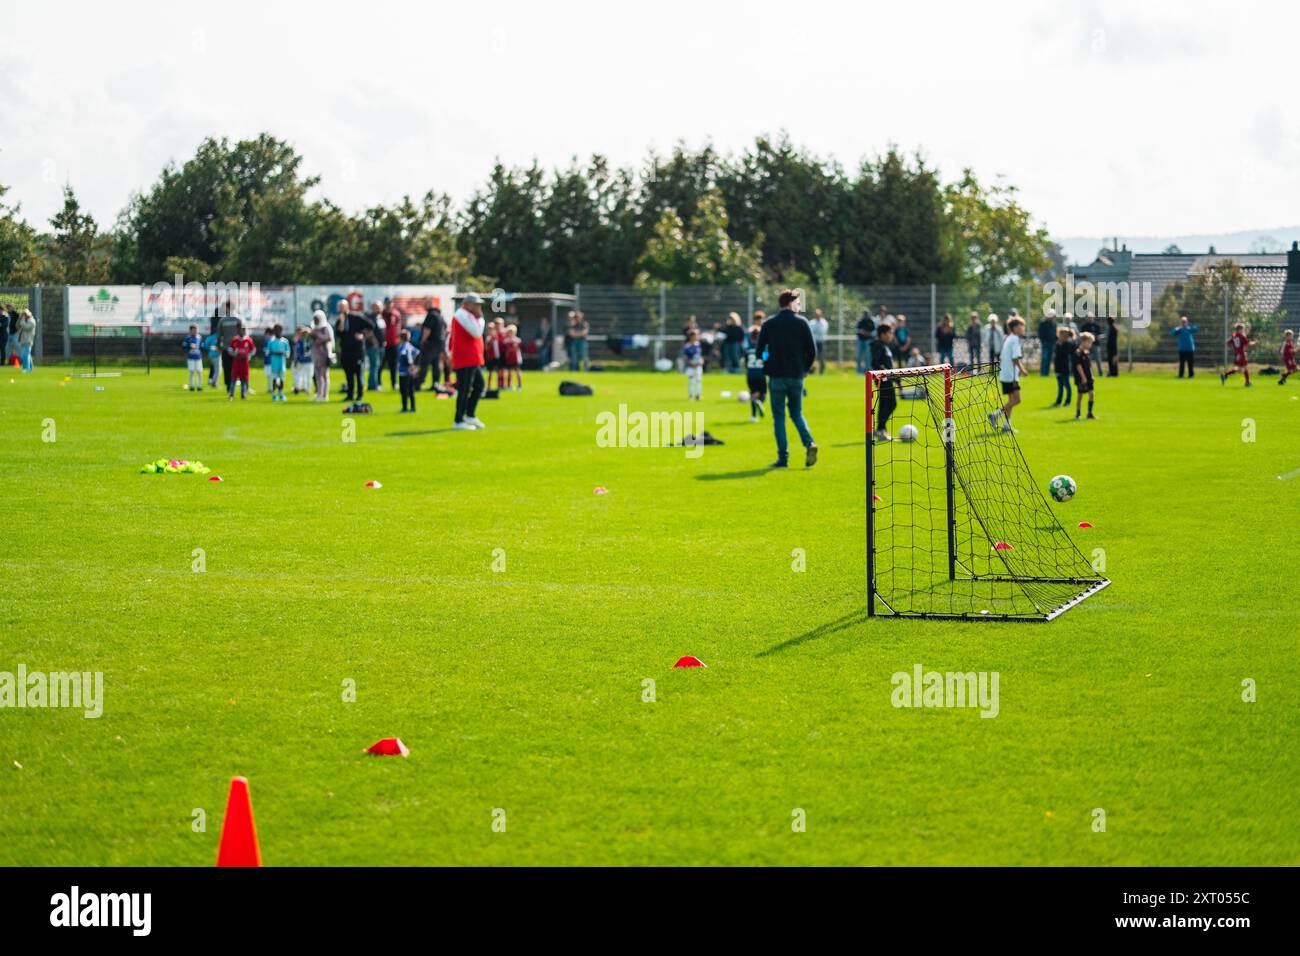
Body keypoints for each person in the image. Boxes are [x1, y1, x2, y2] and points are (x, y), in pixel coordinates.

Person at [755, 290, 818, 468]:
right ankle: (809, 443)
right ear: (790, 303)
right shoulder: (802, 323)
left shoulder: (769, 324)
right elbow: (812, 352)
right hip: (797, 376)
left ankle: (783, 458)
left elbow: (759, 351)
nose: (799, 306)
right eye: (797, 302)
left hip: (776, 377)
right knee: (797, 413)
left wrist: (770, 361)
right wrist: (803, 369)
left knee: (779, 418)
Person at [450, 293, 487, 430]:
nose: (478, 307)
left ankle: (469, 414)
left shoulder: (467, 315)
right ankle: (458, 420)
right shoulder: (461, 315)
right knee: (464, 390)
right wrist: (481, 319)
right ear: (467, 304)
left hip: (472, 358)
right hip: (465, 358)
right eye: (476, 304)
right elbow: (476, 332)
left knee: (479, 385)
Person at [988, 316, 1025, 434]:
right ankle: (995, 414)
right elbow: (1015, 359)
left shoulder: (1009, 338)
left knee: (1011, 401)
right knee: (1017, 400)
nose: (1022, 328)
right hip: (1011, 376)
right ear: (1015, 328)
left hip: (1005, 374)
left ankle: (1006, 425)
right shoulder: (1015, 340)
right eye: (1021, 326)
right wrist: (1023, 370)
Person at [337, 303, 372, 401]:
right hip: (345, 351)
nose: (341, 309)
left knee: (358, 374)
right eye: (339, 307)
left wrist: (363, 335)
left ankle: (360, 395)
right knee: (349, 375)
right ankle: (350, 395)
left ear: (347, 307)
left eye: (342, 307)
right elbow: (339, 333)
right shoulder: (340, 320)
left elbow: (371, 325)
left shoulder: (356, 317)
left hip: (357, 351)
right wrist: (342, 321)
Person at [869, 324, 898, 442]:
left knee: (885, 404)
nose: (891, 335)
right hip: (883, 379)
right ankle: (880, 429)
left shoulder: (884, 346)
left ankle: (881, 429)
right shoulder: (877, 345)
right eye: (889, 333)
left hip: (887, 378)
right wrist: (885, 372)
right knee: (891, 403)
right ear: (882, 334)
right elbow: (875, 362)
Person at [744, 319, 767, 422]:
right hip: (761, 373)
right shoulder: (764, 349)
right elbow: (766, 360)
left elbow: (745, 363)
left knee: (753, 394)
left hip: (750, 374)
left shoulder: (748, 349)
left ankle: (753, 416)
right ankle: (760, 402)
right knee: (763, 394)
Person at [1221, 323, 1257, 387]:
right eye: (1243, 329)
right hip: (1241, 354)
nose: (1243, 330)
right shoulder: (1241, 336)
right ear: (1240, 329)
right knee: (1245, 368)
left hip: (1236, 354)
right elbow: (1248, 343)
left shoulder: (1234, 335)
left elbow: (1227, 342)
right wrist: (1255, 342)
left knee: (1237, 368)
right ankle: (1247, 383)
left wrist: (1234, 348)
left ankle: (1225, 375)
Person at [419, 305, 446, 389]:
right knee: (436, 365)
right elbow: (445, 330)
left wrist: (423, 341)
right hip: (439, 344)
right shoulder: (440, 317)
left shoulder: (431, 315)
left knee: (424, 364)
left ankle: (418, 383)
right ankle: (436, 383)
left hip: (430, 344)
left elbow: (427, 329)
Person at [226, 324, 256, 400]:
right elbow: (230, 349)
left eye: (244, 329)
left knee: (244, 378)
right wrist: (234, 354)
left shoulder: (248, 340)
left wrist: (248, 356)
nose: (242, 331)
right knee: (233, 378)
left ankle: (243, 394)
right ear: (238, 330)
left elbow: (253, 350)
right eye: (241, 329)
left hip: (245, 362)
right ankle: (231, 394)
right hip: (236, 362)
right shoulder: (235, 339)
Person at [1073, 331, 1097, 420]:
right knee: (1080, 395)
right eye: (1089, 342)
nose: (1090, 345)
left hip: (1088, 377)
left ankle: (1089, 413)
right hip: (1081, 378)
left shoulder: (1087, 353)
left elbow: (1089, 366)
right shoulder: (1078, 353)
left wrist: (1091, 375)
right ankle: (1078, 413)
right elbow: (1078, 366)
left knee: (1091, 394)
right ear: (1083, 341)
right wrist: (1083, 377)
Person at [310, 311, 333, 401]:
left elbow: (328, 338)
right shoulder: (314, 329)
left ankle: (325, 395)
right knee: (317, 375)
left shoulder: (325, 328)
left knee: (324, 375)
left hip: (324, 354)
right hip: (316, 355)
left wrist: (318, 336)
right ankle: (319, 393)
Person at [264, 324, 290, 402]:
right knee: (275, 379)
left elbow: (288, 353)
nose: (278, 332)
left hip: (282, 364)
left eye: (279, 330)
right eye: (276, 330)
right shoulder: (271, 341)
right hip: (274, 364)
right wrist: (274, 353)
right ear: (274, 331)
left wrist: (283, 353)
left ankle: (281, 393)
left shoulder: (285, 341)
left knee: (281, 379)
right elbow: (267, 352)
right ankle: (274, 394)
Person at [381, 297, 402, 390]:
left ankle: (393, 383)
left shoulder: (396, 314)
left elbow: (398, 327)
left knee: (393, 365)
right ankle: (377, 383)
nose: (388, 304)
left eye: (389, 303)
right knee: (380, 364)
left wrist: (399, 338)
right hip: (383, 343)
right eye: (386, 303)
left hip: (394, 343)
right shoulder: (381, 314)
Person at [1052, 326, 1076, 407]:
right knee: (1060, 386)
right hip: (1058, 368)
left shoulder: (1068, 344)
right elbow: (1056, 356)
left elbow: (1063, 354)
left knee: (1067, 386)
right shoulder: (1058, 343)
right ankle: (1058, 401)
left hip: (1064, 368)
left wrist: (1060, 345)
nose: (1060, 337)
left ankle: (1068, 401)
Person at [397, 329, 419, 413]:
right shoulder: (410, 345)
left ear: (401, 338)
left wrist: (409, 366)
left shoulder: (402, 347)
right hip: (411, 372)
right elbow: (417, 353)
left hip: (404, 372)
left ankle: (405, 408)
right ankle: (413, 407)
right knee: (411, 390)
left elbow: (404, 356)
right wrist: (414, 366)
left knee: (403, 391)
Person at [364, 302, 384, 392]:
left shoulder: (380, 317)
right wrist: (374, 342)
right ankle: (372, 386)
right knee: (374, 366)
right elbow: (368, 331)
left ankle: (376, 383)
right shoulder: (370, 318)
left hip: (381, 345)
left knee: (377, 366)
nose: (378, 309)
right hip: (373, 346)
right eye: (376, 307)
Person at [682, 329, 703, 400]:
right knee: (691, 381)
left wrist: (701, 360)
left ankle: (698, 395)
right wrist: (690, 362)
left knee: (698, 380)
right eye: (695, 336)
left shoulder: (699, 345)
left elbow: (700, 355)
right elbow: (685, 357)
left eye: (697, 335)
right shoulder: (687, 346)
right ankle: (691, 395)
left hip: (698, 366)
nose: (696, 337)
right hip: (690, 366)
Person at [182, 324, 204, 391]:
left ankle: (199, 386)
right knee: (191, 371)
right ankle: (191, 386)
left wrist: (201, 347)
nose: (195, 331)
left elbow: (202, 345)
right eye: (193, 330)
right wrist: (189, 345)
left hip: (198, 357)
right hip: (190, 357)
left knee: (199, 372)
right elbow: (183, 345)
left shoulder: (199, 337)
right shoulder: (188, 338)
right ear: (190, 331)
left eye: (196, 330)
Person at [292, 327, 313, 394]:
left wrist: (295, 360)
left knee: (299, 375)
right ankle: (307, 389)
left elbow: (297, 352)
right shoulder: (311, 342)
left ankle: (298, 387)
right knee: (308, 376)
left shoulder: (300, 342)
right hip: (309, 361)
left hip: (302, 361)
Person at [1037, 309, 1058, 376]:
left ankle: (1046, 373)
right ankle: (1043, 373)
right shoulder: (1042, 323)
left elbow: (1055, 333)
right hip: (1045, 343)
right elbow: (1040, 333)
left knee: (1049, 359)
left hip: (1052, 343)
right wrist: (1042, 341)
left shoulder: (1054, 323)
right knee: (1045, 358)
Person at [502, 323, 523, 390]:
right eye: (509, 332)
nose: (511, 334)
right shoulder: (506, 341)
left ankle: (519, 386)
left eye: (512, 332)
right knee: (509, 373)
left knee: (517, 372)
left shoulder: (518, 340)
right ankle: (509, 385)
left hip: (516, 359)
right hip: (509, 359)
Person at [809, 308, 829, 374]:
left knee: (822, 358)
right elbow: (810, 332)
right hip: (813, 342)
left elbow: (822, 331)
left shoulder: (824, 322)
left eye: (818, 314)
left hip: (821, 342)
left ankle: (821, 372)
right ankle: (811, 371)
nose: (817, 316)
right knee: (812, 357)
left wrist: (816, 330)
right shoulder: (812, 322)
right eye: (816, 314)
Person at [855, 309, 874, 374]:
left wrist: (868, 333)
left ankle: (867, 371)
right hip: (860, 340)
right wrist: (861, 331)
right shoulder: (860, 321)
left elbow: (874, 332)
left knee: (868, 357)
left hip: (868, 341)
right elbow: (856, 330)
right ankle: (859, 371)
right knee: (859, 357)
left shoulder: (871, 321)